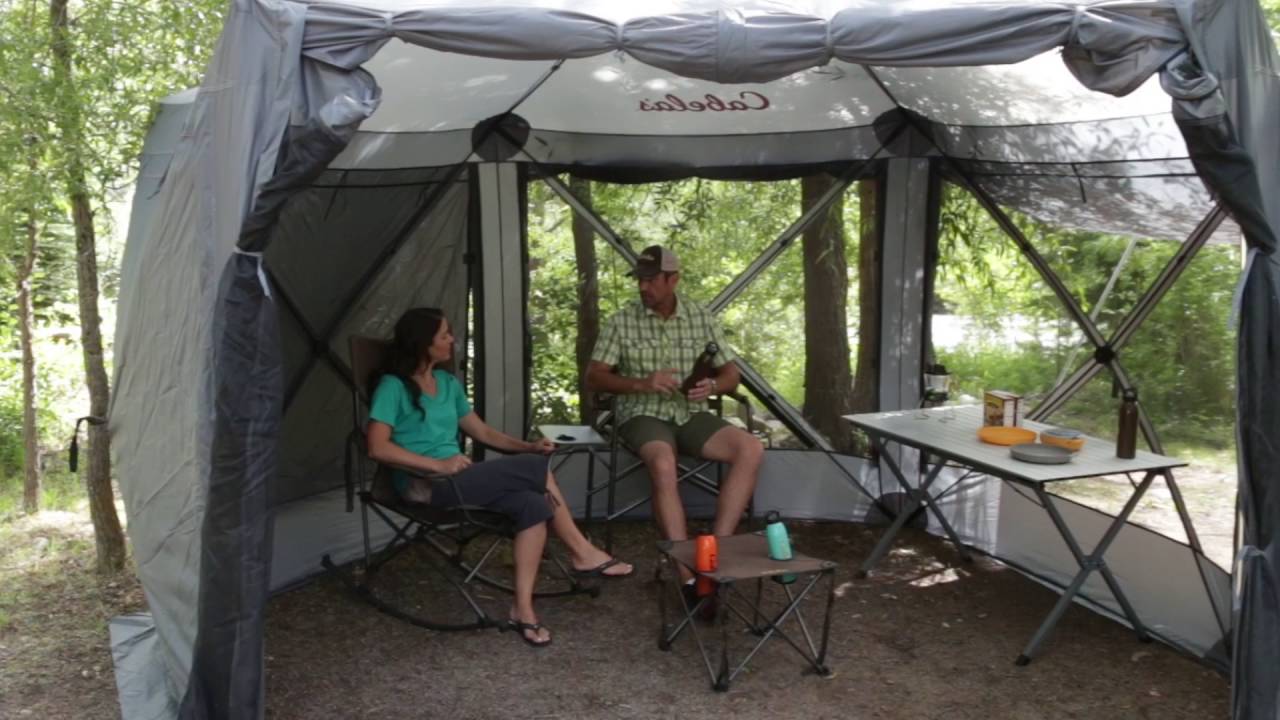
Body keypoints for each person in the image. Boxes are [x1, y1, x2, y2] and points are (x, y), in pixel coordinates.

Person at [366, 307, 633, 648]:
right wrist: (436, 466)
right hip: (423, 484)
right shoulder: (393, 387)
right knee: (534, 471)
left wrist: (528, 447)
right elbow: (376, 447)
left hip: (459, 479)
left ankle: (522, 609)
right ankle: (582, 552)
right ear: (423, 343)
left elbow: (484, 433)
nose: (453, 340)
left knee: (532, 504)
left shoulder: (447, 383)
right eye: (445, 334)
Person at [585, 245, 764, 585]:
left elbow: (731, 376)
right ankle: (686, 574)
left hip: (691, 413)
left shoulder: (700, 317)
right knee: (663, 461)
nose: (643, 287)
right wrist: (641, 383)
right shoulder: (622, 321)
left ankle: (715, 553)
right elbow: (593, 377)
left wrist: (711, 386)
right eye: (639, 280)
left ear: (673, 280)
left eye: (651, 280)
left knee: (751, 448)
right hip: (642, 414)